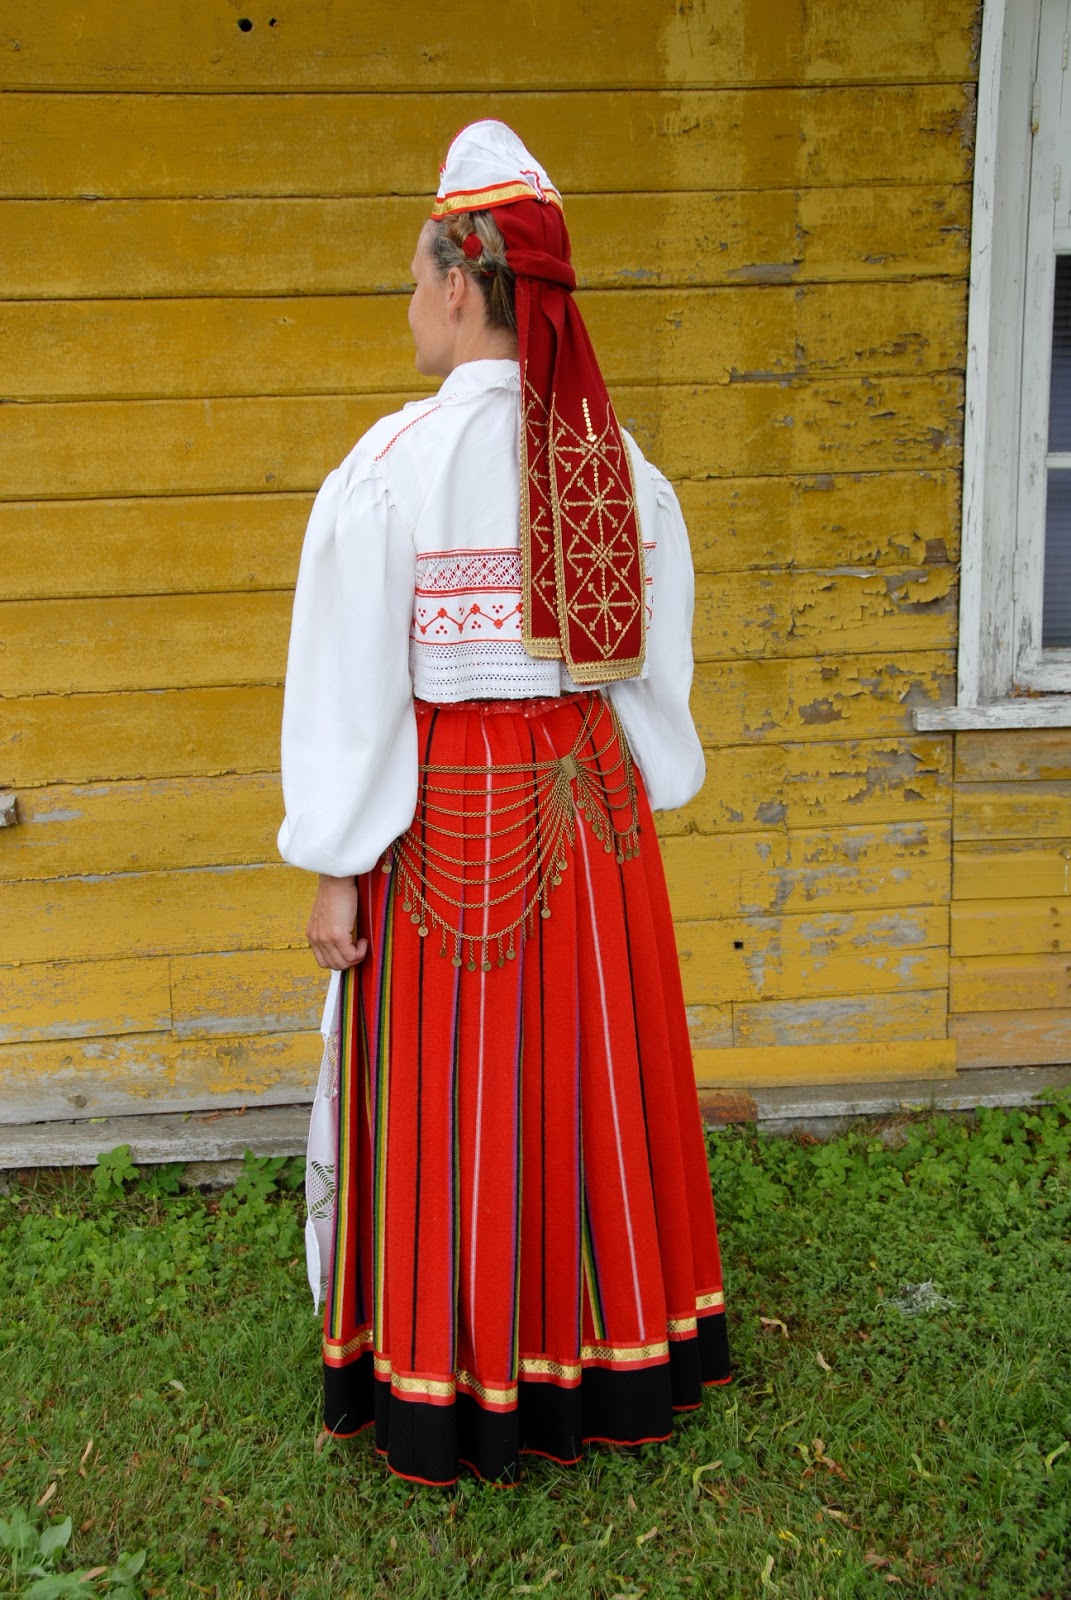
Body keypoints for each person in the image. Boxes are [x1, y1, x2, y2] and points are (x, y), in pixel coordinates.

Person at [278, 120, 729, 1487]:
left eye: (417, 275)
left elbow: (350, 682)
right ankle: (607, 1352)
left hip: (444, 817)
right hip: (590, 819)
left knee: (457, 1093)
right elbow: (657, 656)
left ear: (463, 285)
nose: (407, 302)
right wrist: (639, 764)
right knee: (581, 1075)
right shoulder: (615, 466)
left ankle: (452, 1376)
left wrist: (338, 858)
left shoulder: (388, 471)